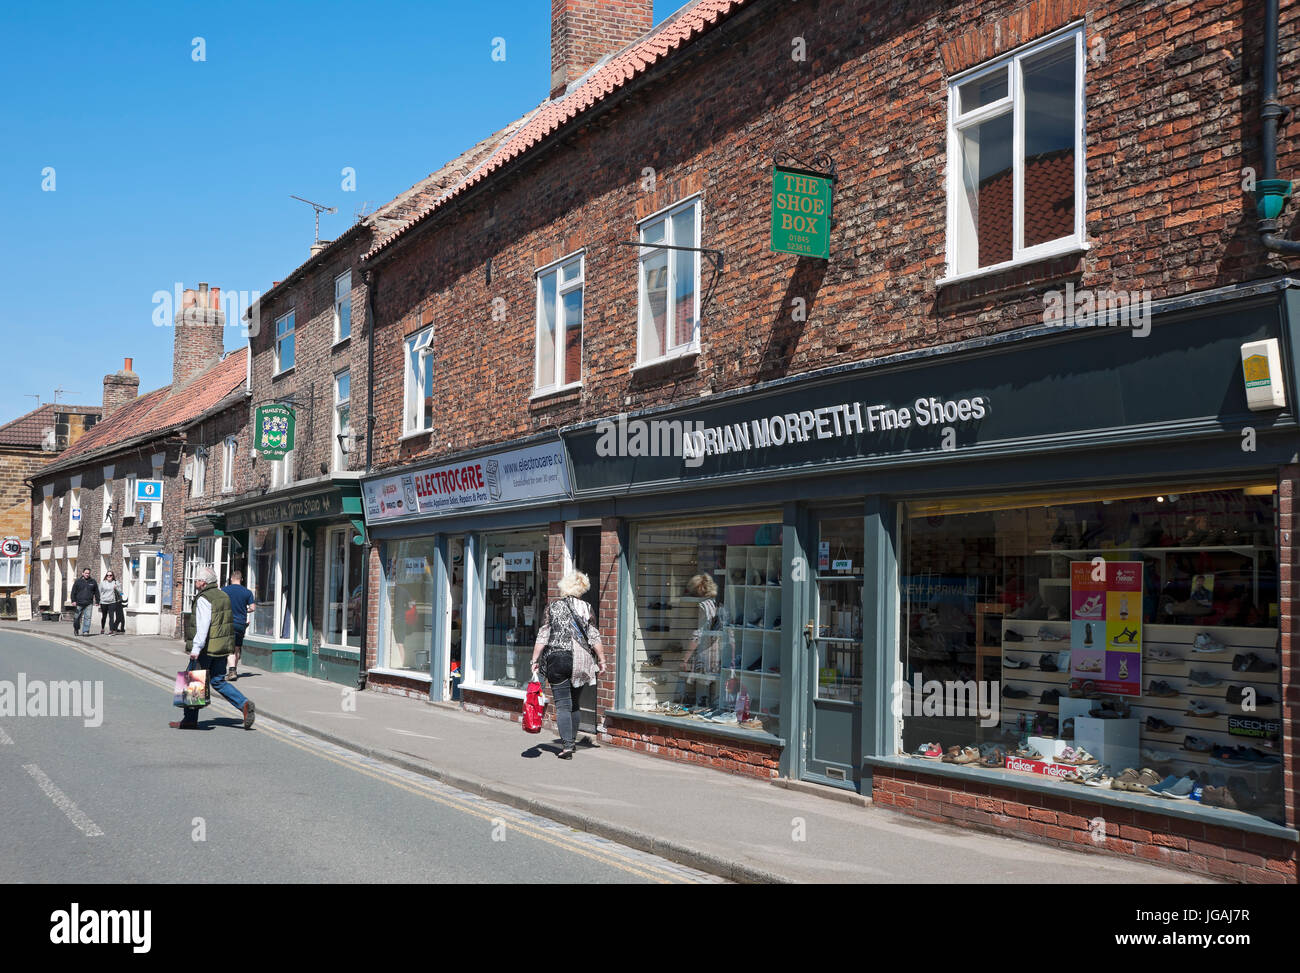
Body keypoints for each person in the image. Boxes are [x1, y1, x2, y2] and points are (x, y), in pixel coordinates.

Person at [529, 571, 606, 759]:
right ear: (582, 589)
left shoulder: (553, 607)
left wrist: (535, 660)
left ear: (565, 586)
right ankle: (571, 742)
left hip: (557, 659)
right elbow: (594, 636)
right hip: (581, 661)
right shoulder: (587, 607)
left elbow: (543, 635)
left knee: (563, 704)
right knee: (574, 703)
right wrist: (602, 659)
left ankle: (567, 746)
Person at [170, 565, 254, 731]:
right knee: (217, 680)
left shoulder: (204, 598)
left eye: (197, 580)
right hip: (221, 647)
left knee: (193, 681)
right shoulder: (223, 595)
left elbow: (203, 625)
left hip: (206, 647)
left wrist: (196, 649)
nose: (195, 582)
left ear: (202, 582)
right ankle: (244, 704)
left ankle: (189, 720)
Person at [679, 573, 733, 705]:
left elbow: (698, 634)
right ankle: (711, 708)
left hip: (706, 652)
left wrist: (685, 658)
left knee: (703, 688)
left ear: (698, 589)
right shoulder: (719, 604)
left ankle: (702, 709)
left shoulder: (704, 606)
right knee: (715, 686)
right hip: (718, 650)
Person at [220, 570, 256, 681]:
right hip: (241, 623)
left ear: (231, 578)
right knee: (237, 648)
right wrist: (245, 611)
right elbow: (253, 608)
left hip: (228, 622)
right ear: (241, 579)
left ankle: (231, 671)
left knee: (229, 648)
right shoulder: (247, 592)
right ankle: (234, 669)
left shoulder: (224, 590)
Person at [70, 568, 99, 637]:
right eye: (86, 573)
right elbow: (73, 592)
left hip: (89, 603)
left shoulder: (93, 581)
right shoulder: (78, 581)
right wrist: (73, 601)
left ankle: (85, 631)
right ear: (83, 573)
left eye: (88, 573)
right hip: (79, 603)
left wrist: (97, 601)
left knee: (88, 618)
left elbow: (97, 592)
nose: (87, 574)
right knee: (76, 617)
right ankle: (76, 628)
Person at [97, 571, 124, 635]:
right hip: (104, 602)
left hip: (112, 602)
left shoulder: (115, 582)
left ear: (113, 576)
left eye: (110, 575)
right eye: (107, 575)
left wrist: (116, 587)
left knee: (111, 616)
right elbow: (98, 592)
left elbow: (121, 593)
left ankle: (111, 630)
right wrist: (99, 600)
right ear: (106, 576)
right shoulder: (102, 583)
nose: (109, 576)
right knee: (104, 616)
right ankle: (102, 628)